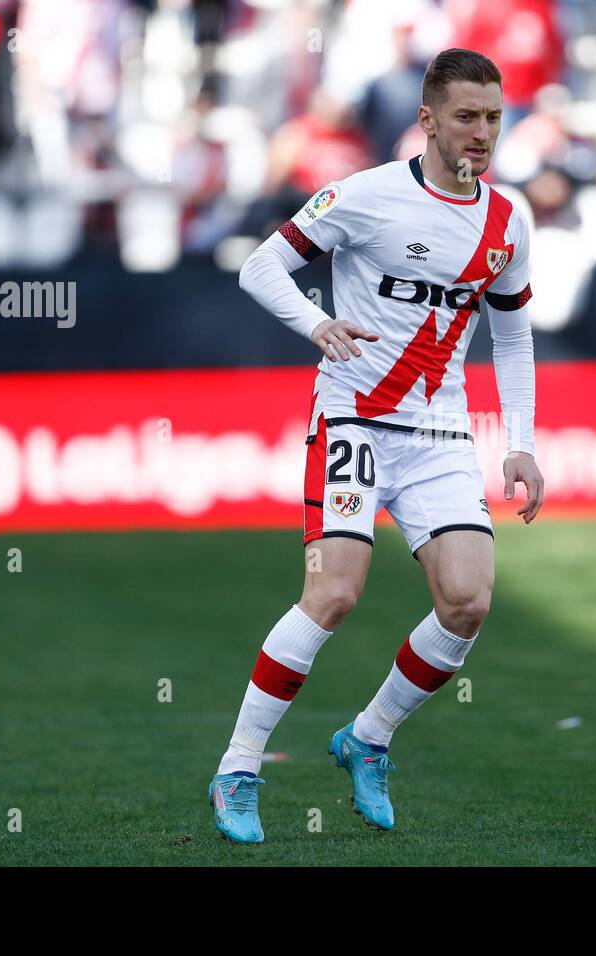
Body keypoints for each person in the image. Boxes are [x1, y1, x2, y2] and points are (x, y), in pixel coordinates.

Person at [211, 48, 544, 842]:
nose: (483, 133)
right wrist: (316, 323)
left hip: (438, 435)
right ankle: (238, 767)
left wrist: (521, 444)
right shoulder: (366, 195)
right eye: (467, 116)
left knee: (468, 602)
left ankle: (367, 738)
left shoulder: (506, 222)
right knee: (335, 593)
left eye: (494, 117)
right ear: (427, 120)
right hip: (355, 419)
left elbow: (514, 336)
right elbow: (261, 267)